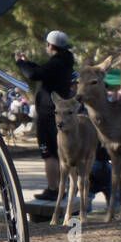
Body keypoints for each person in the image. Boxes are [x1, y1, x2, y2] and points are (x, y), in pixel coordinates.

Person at [15, 30, 77, 202]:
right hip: (58, 111)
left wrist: (20, 63)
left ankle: (53, 189)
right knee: (59, 152)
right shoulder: (65, 61)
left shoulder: (57, 62)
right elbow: (43, 71)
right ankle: (63, 188)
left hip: (48, 113)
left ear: (50, 46)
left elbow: (33, 75)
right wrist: (30, 63)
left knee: (49, 153)